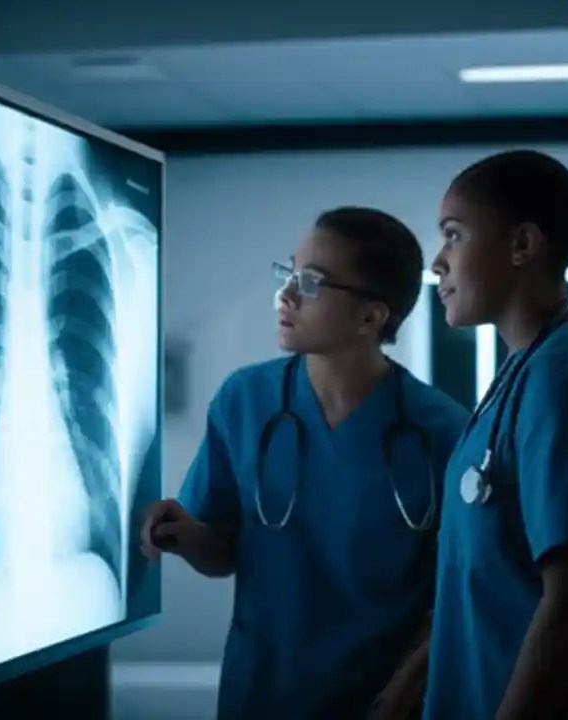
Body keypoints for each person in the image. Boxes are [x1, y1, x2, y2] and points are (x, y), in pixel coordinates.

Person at [139, 207, 470, 720]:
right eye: (289, 274)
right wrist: (185, 536)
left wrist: (402, 693)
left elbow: (451, 597)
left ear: (371, 317)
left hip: (383, 701)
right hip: (264, 694)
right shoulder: (245, 400)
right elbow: (224, 551)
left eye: (311, 283)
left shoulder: (441, 429)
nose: (286, 295)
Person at [375, 150, 568, 720]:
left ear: (521, 245)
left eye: (454, 235)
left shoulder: (566, 377)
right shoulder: (525, 370)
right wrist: (406, 690)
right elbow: (481, 584)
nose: (438, 262)